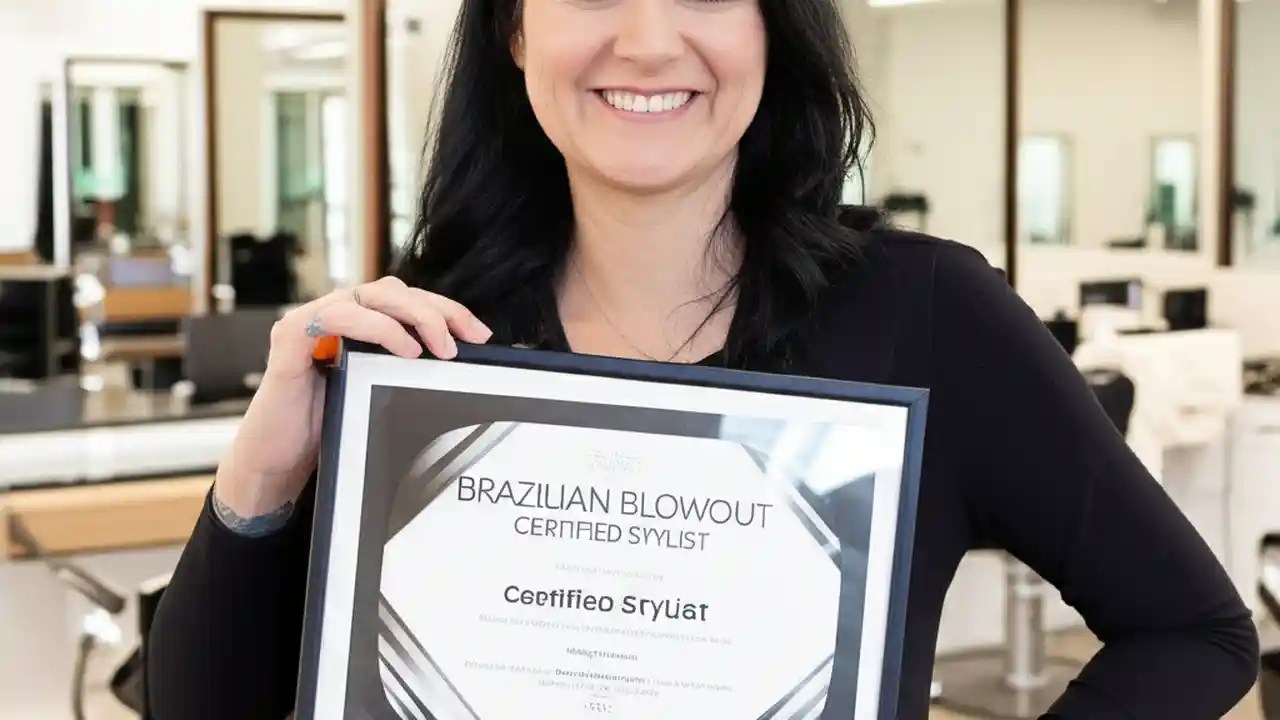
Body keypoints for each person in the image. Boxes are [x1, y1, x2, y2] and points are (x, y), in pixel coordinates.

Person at [147, 0, 1259, 717]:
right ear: (514, 32)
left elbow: (1195, 632)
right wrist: (260, 478)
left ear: (773, 29)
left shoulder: (928, 313)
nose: (644, 40)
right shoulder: (429, 345)